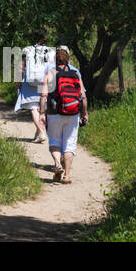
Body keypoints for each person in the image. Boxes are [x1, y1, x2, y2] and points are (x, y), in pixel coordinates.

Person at [39, 47, 88, 184]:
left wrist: (42, 113)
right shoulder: (75, 74)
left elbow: (43, 95)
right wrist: (84, 113)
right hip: (73, 113)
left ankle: (57, 164)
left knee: (54, 142)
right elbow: (83, 96)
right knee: (69, 144)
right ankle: (66, 175)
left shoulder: (50, 73)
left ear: (55, 60)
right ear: (68, 59)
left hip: (54, 114)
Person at [14, 31, 53, 143]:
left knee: (33, 107)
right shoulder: (51, 51)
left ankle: (41, 132)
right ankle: (38, 133)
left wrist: (18, 80)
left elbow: (20, 67)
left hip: (29, 82)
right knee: (42, 108)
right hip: (45, 82)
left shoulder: (27, 50)